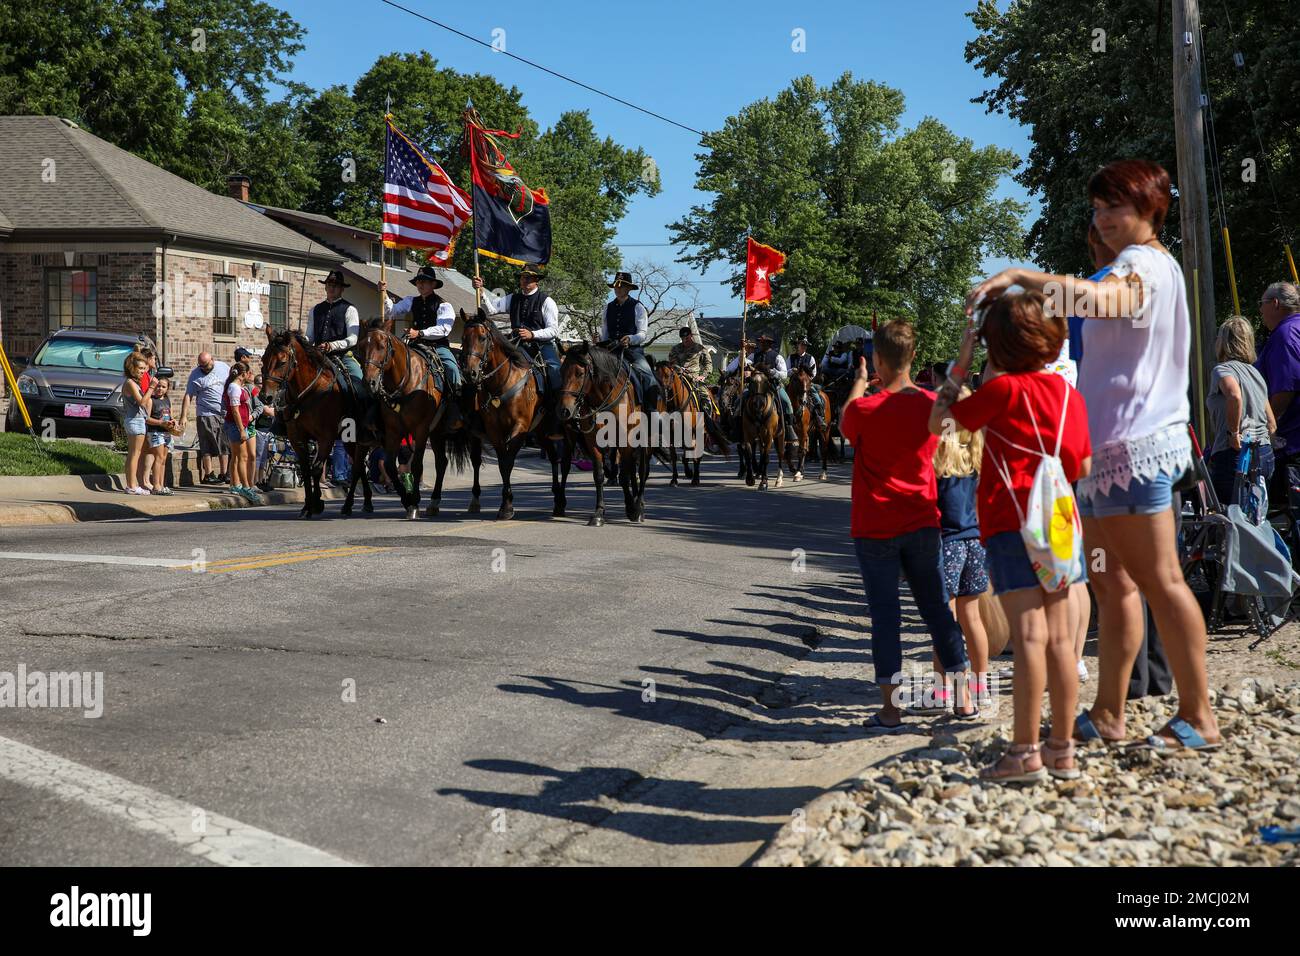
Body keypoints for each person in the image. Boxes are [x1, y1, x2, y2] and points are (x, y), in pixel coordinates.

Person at [967, 158, 1219, 753]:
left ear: (1150, 210)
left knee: (1159, 581)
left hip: (1136, 447)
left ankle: (1199, 714)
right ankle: (1109, 713)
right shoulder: (1139, 264)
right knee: (1115, 587)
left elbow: (1105, 301)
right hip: (1110, 452)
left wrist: (1022, 279)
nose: (1103, 218)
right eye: (1098, 207)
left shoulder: (1144, 267)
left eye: (1116, 207)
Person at [934, 292, 1092, 782]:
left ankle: (1024, 752)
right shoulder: (1069, 396)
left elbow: (941, 421)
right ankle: (1062, 751)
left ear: (998, 343)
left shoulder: (1001, 393)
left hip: (1009, 521)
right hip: (1062, 522)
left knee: (1028, 638)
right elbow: (1081, 465)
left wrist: (962, 360)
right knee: (1063, 641)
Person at [839, 320, 973, 730]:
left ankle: (891, 710)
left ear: (877, 358)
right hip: (921, 523)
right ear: (913, 357)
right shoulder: (929, 405)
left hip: (874, 526)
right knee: (937, 612)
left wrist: (861, 383)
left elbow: (846, 422)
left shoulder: (862, 408)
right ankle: (964, 700)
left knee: (885, 617)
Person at [931, 386, 990, 711]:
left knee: (944, 619)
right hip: (976, 542)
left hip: (948, 543)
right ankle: (981, 685)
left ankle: (942, 689)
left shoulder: (939, 456)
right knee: (972, 618)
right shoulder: (977, 453)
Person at [473, 264, 563, 437]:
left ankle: (555, 420)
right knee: (490, 367)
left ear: (536, 280)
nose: (524, 280)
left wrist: (532, 334)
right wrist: (482, 291)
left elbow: (553, 330)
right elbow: (492, 309)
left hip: (541, 345)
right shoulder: (512, 298)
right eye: (522, 277)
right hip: (516, 344)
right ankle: (483, 414)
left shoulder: (546, 301)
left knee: (555, 372)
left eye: (528, 277)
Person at [1206, 316, 1276, 507]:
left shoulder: (1222, 370)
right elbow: (1271, 423)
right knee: (1257, 518)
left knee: (1233, 519)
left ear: (1223, 342)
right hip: (1263, 451)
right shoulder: (1256, 374)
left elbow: (1234, 395)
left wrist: (1234, 433)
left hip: (1235, 454)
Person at [382, 264, 464, 400]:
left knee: (452, 368)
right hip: (414, 345)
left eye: (424, 281)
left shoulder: (444, 305)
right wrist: (384, 293)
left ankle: (456, 400)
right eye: (418, 281)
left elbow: (444, 329)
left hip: (438, 347)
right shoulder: (411, 301)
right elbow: (391, 311)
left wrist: (419, 333)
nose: (420, 285)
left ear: (433, 284)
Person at [1254, 281, 1300, 514]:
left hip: (1291, 441)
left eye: (1262, 304)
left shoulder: (1284, 335)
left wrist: (1265, 425)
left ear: (1275, 304)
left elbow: (1285, 388)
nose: (1260, 310)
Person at [597, 271, 659, 410]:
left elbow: (642, 334)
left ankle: (652, 412)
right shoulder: (608, 307)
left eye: (622, 286)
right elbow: (605, 332)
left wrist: (630, 339)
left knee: (649, 378)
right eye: (616, 287)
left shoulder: (638, 307)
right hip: (610, 351)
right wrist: (600, 341)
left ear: (628, 288)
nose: (618, 289)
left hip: (632, 351)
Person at [178, 351, 230, 485]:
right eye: (201, 366)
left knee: (223, 444)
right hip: (205, 414)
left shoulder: (223, 367)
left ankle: (224, 473)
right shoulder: (195, 375)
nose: (204, 368)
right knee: (207, 444)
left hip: (223, 413)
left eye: (206, 365)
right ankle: (209, 474)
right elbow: (188, 395)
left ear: (212, 359)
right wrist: (184, 416)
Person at [746, 334, 799, 445]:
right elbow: (743, 363)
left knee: (787, 403)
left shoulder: (777, 357)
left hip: (773, 386)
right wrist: (742, 353)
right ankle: (737, 428)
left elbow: (784, 374)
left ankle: (789, 429)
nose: (762, 344)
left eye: (764, 342)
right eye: (761, 342)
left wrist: (773, 372)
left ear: (769, 344)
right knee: (739, 400)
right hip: (756, 386)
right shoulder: (753, 356)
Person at [221, 361, 261, 503]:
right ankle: (245, 487)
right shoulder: (234, 388)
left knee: (237, 457)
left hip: (239, 425)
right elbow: (235, 411)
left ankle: (235, 484)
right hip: (236, 426)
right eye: (247, 373)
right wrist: (241, 430)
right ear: (243, 374)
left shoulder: (238, 387)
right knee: (242, 457)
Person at [121, 354, 152, 496]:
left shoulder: (133, 382)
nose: (143, 371)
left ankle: (131, 485)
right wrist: (151, 388)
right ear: (131, 368)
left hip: (135, 420)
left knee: (133, 454)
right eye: (140, 368)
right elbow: (142, 402)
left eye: (144, 368)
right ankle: (132, 485)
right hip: (135, 420)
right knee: (135, 454)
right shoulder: (130, 383)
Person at [144, 376, 178, 495]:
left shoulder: (168, 400)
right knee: (158, 458)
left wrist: (173, 422)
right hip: (155, 432)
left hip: (166, 432)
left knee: (163, 459)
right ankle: (156, 486)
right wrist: (160, 423)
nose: (160, 389)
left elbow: (171, 415)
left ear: (167, 388)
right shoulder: (151, 400)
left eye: (163, 387)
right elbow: (146, 418)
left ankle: (162, 485)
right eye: (158, 386)